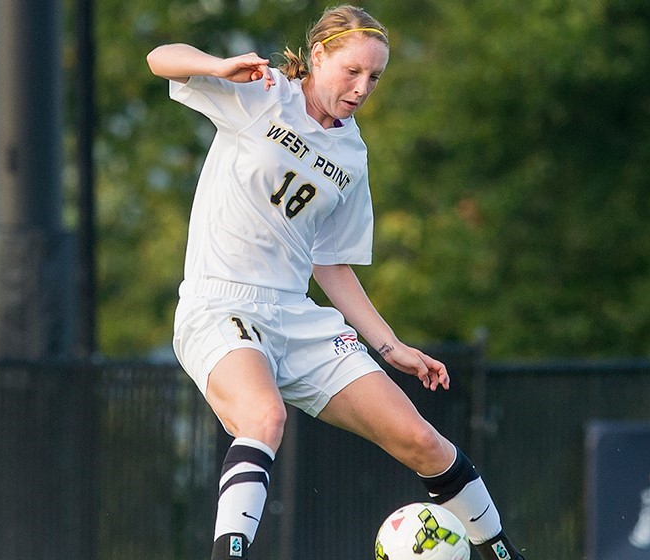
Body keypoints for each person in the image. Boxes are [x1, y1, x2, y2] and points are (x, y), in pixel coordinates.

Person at [147, 5, 526, 560]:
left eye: (374, 77)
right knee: (264, 417)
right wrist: (219, 64)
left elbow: (331, 262)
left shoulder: (352, 152)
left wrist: (391, 346)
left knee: (421, 441)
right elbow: (161, 59)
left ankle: (503, 554)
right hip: (220, 303)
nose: (362, 87)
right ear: (317, 55)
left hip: (297, 317)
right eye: (352, 71)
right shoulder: (261, 94)